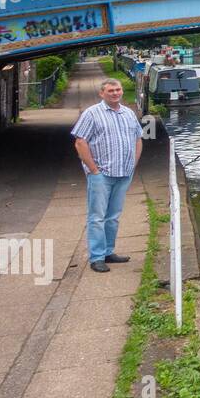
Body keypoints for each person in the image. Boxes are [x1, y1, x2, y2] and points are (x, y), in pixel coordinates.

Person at [71, 78, 144, 272]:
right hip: (101, 175)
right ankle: (96, 257)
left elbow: (138, 139)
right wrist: (94, 170)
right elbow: (80, 142)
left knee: (113, 216)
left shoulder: (128, 113)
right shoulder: (92, 114)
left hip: (123, 173)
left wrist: (132, 165)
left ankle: (108, 252)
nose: (115, 93)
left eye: (118, 89)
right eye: (111, 90)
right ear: (102, 94)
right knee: (97, 217)